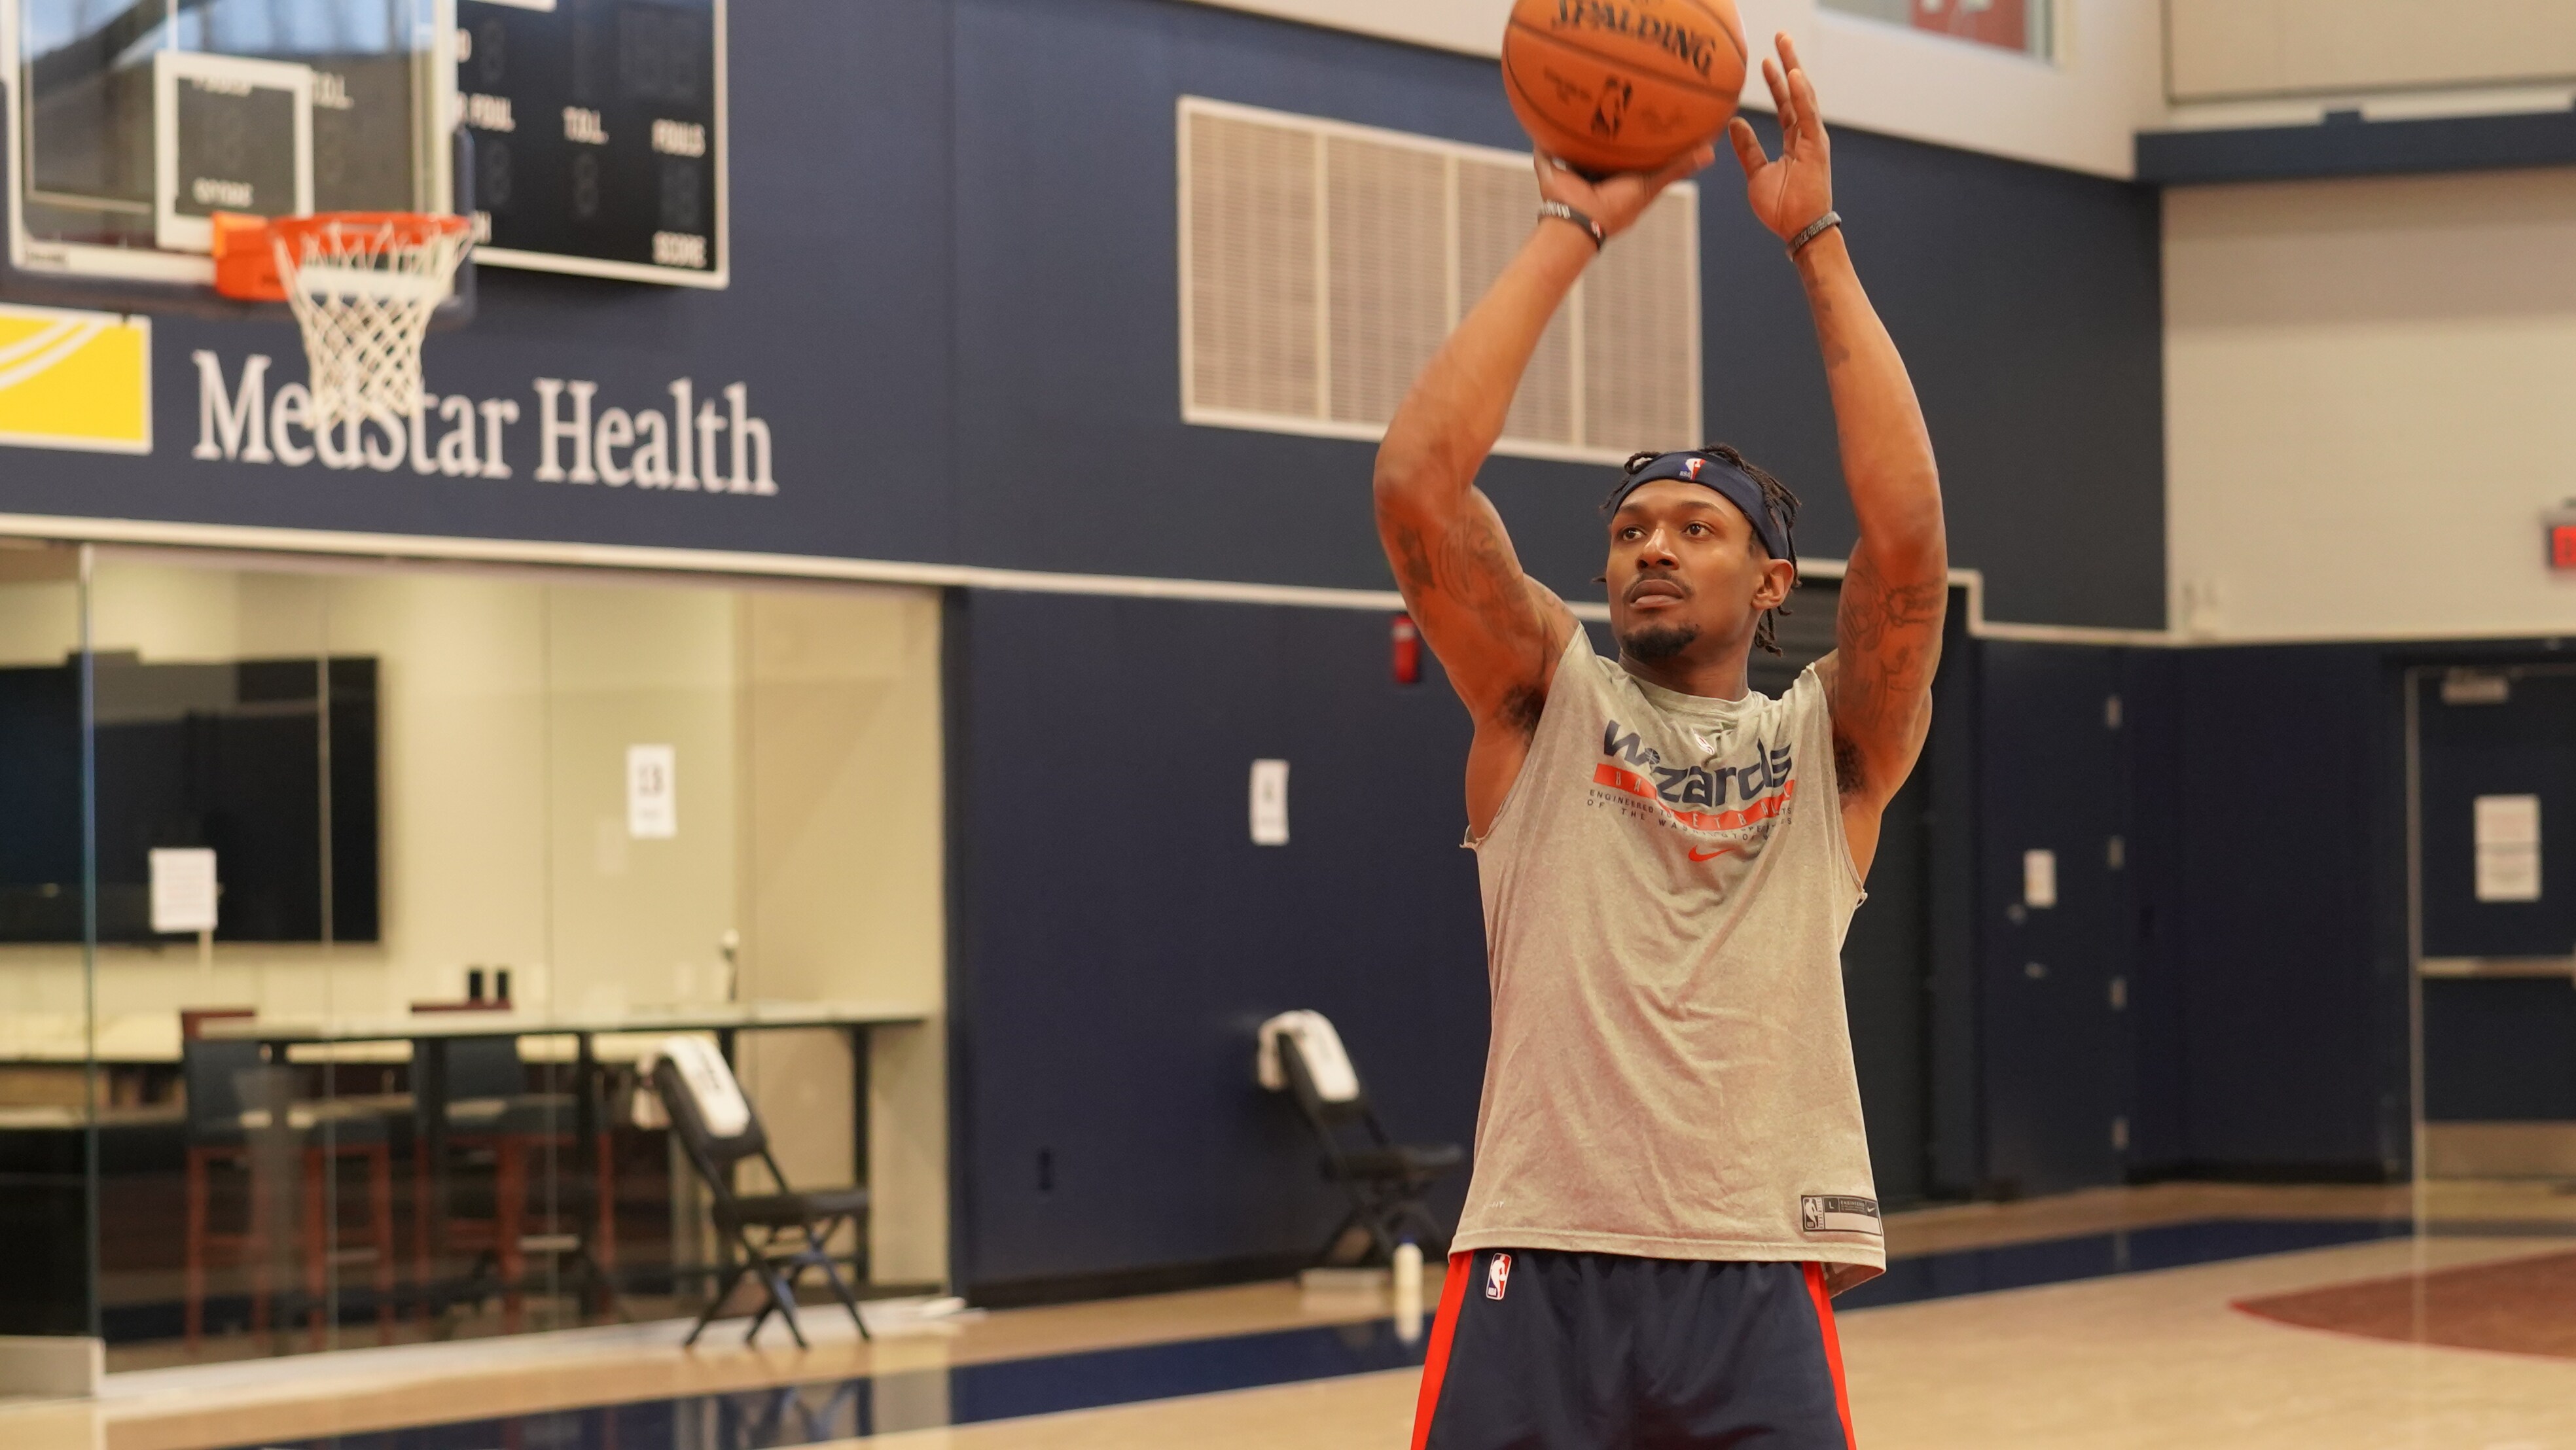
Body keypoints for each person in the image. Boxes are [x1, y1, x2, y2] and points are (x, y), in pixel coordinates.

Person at [1377, 33, 1946, 1450]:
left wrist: (1814, 238)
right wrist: (1573, 223)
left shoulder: (1832, 749)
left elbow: (1910, 541)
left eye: (1697, 530)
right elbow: (1416, 483)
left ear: (1770, 587)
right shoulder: (1540, 700)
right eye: (1631, 528)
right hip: (1540, 1255)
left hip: (1754, 1258)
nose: (1652, 549)